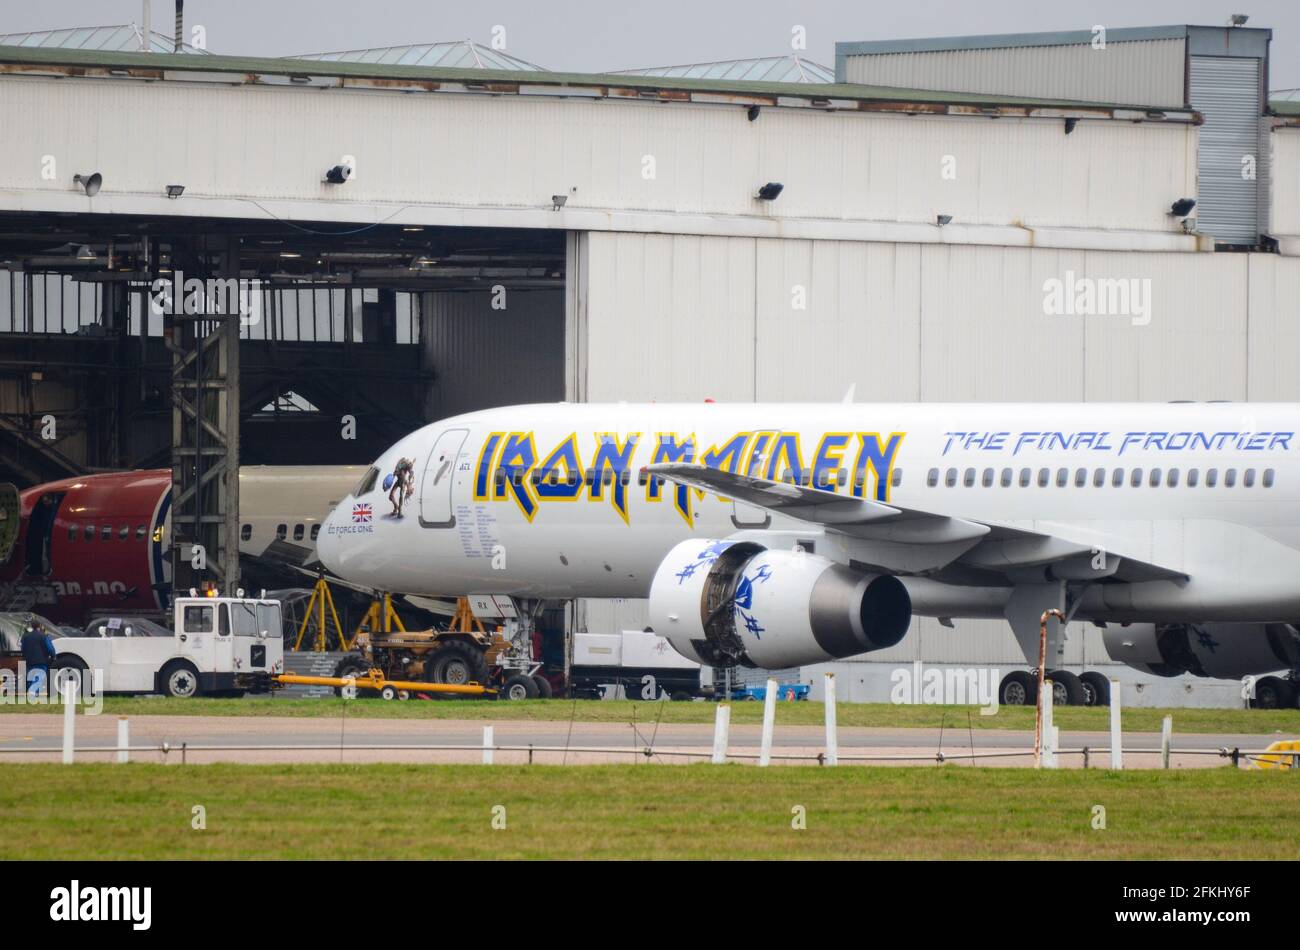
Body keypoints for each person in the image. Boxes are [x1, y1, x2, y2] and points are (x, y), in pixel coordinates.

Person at [21, 619, 57, 700]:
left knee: (31, 677)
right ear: (39, 626)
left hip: (29, 661)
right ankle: (33, 695)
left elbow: (22, 648)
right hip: (41, 661)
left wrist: (25, 656)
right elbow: (50, 648)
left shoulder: (25, 636)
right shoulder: (43, 636)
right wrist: (53, 656)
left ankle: (31, 694)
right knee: (39, 677)